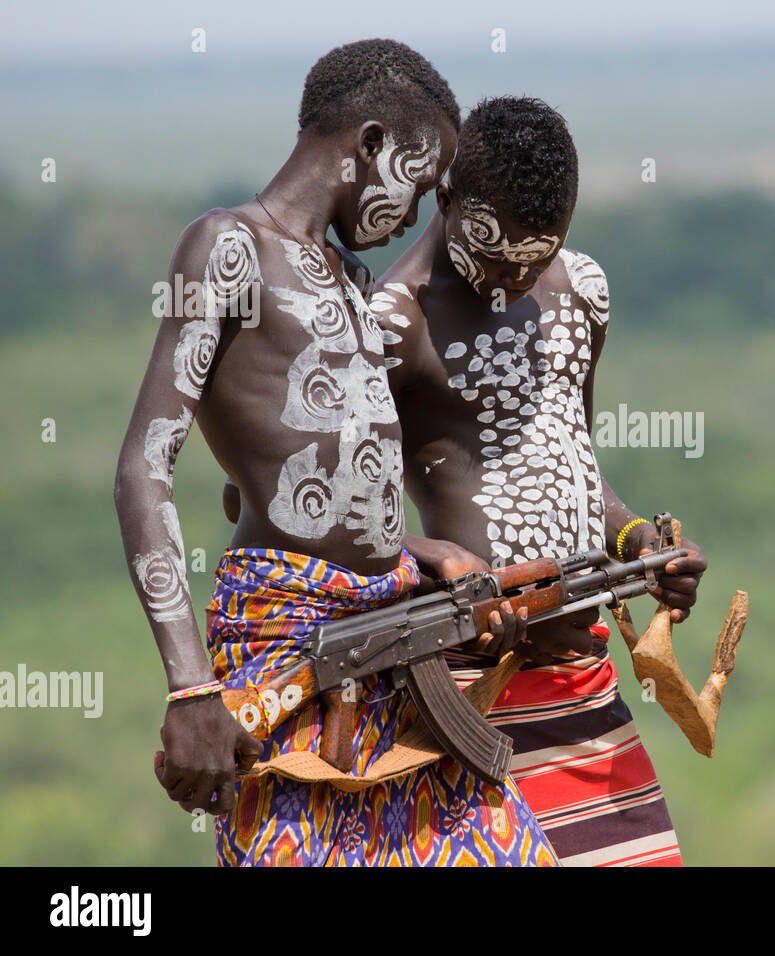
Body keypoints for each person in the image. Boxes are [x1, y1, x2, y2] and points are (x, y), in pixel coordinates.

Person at [114, 41, 555, 866]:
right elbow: (144, 466)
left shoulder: (350, 279)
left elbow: (346, 483)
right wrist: (190, 687)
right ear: (374, 144)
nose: (421, 212)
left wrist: (429, 555)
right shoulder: (227, 248)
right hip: (288, 646)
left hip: (393, 641)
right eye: (421, 185)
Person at [372, 96, 708, 866]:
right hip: (465, 688)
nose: (513, 282)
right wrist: (442, 564)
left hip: (582, 676)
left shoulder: (579, 290)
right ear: (446, 201)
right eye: (494, 257)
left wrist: (641, 544)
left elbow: (574, 466)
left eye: (536, 258)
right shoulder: (391, 324)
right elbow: (343, 523)